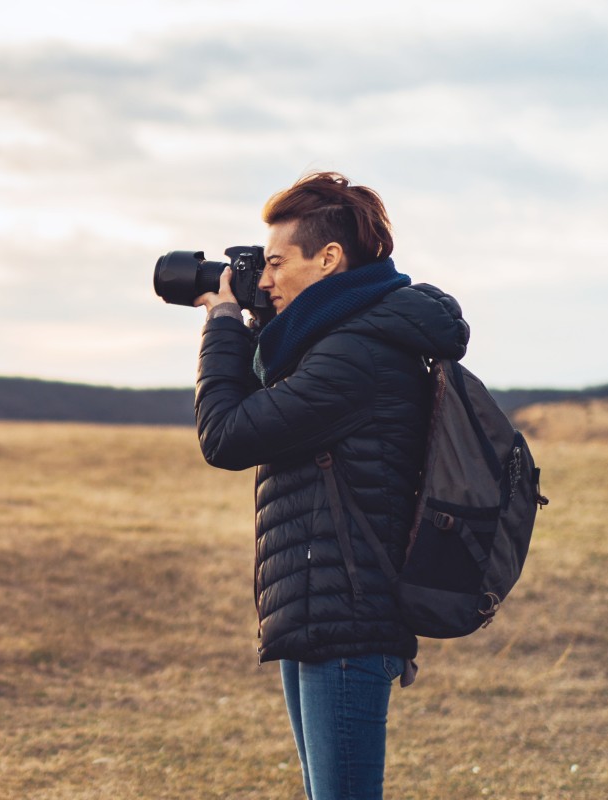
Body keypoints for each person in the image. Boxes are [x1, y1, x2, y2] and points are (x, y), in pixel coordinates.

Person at [191, 172, 469, 800]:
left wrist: (224, 323)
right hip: (321, 608)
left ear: (329, 259)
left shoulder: (357, 354)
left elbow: (226, 435)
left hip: (347, 613)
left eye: (276, 263)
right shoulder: (339, 344)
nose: (263, 280)